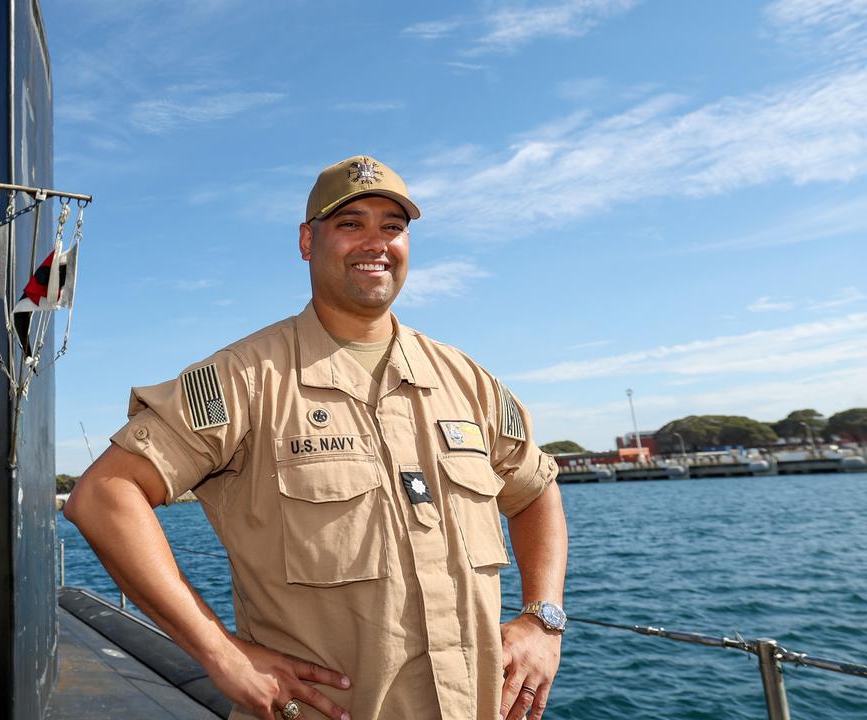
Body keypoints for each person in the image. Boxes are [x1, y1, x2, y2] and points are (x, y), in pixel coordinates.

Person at [64, 155, 567, 720]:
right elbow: (104, 494)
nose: (376, 242)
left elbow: (537, 490)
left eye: (392, 226)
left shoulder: (467, 381)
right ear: (308, 241)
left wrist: (543, 619)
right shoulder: (245, 378)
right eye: (351, 223)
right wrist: (219, 652)